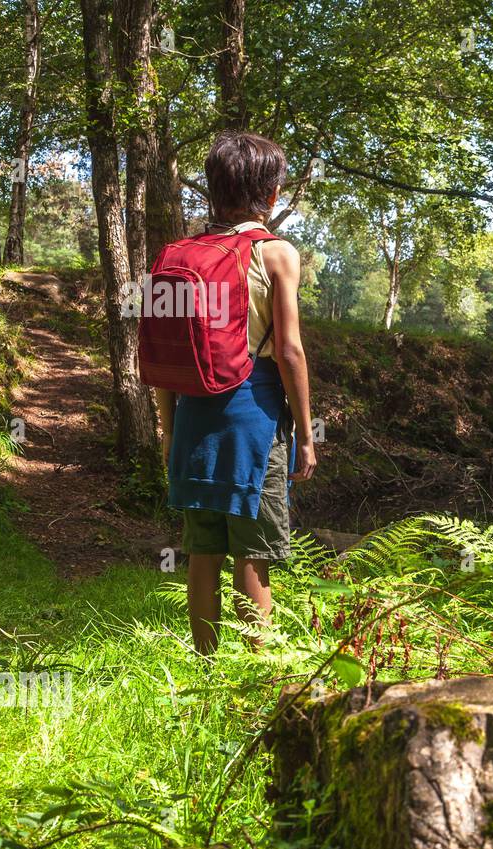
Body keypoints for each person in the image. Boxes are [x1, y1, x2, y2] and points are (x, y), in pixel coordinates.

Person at [154, 131, 316, 654]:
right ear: (270, 195)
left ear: (212, 190)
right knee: (253, 551)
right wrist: (307, 437)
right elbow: (290, 353)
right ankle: (255, 673)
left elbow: (164, 359)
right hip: (254, 414)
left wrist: (169, 430)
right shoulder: (276, 254)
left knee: (203, 551)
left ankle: (205, 667)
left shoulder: (177, 255)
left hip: (192, 417)